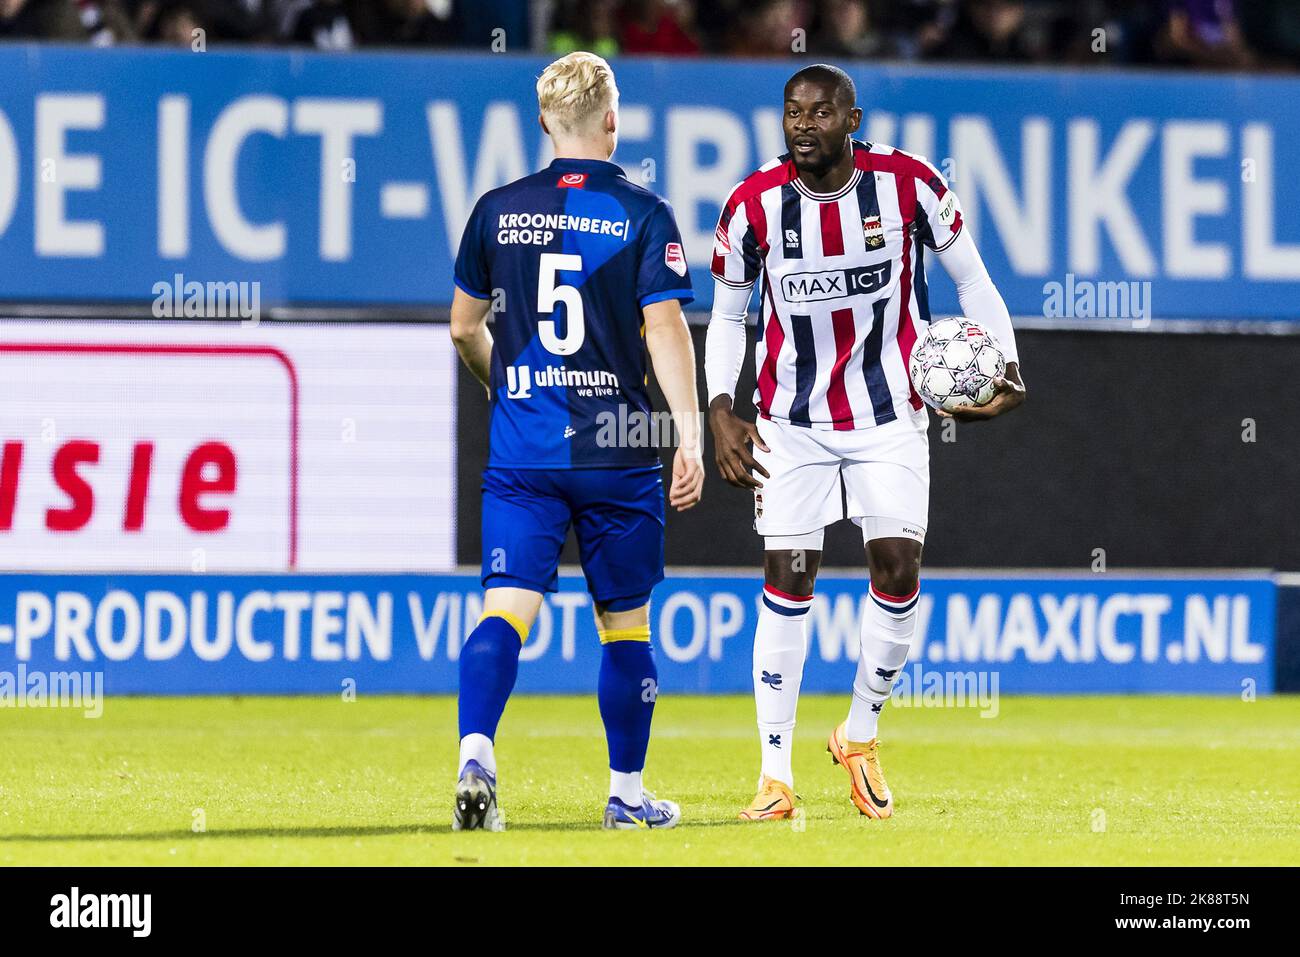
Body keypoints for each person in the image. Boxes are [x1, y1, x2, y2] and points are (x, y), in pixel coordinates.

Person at [705, 63, 1025, 821]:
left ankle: (859, 732)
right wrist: (720, 407)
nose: (803, 125)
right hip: (791, 419)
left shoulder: (909, 185)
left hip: (890, 414)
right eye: (792, 113)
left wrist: (1009, 367)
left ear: (852, 120)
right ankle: (775, 775)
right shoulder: (752, 205)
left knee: (899, 566)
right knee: (788, 575)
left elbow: (973, 283)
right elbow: (725, 317)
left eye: (819, 113)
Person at [450, 52, 703, 831]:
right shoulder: (644, 212)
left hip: (525, 451)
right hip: (617, 451)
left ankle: (476, 754)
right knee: (624, 625)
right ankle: (627, 797)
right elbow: (664, 330)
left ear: (543, 124)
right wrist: (687, 432)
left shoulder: (495, 209)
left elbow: (464, 326)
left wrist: (505, 383)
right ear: (612, 122)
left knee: (505, 611)